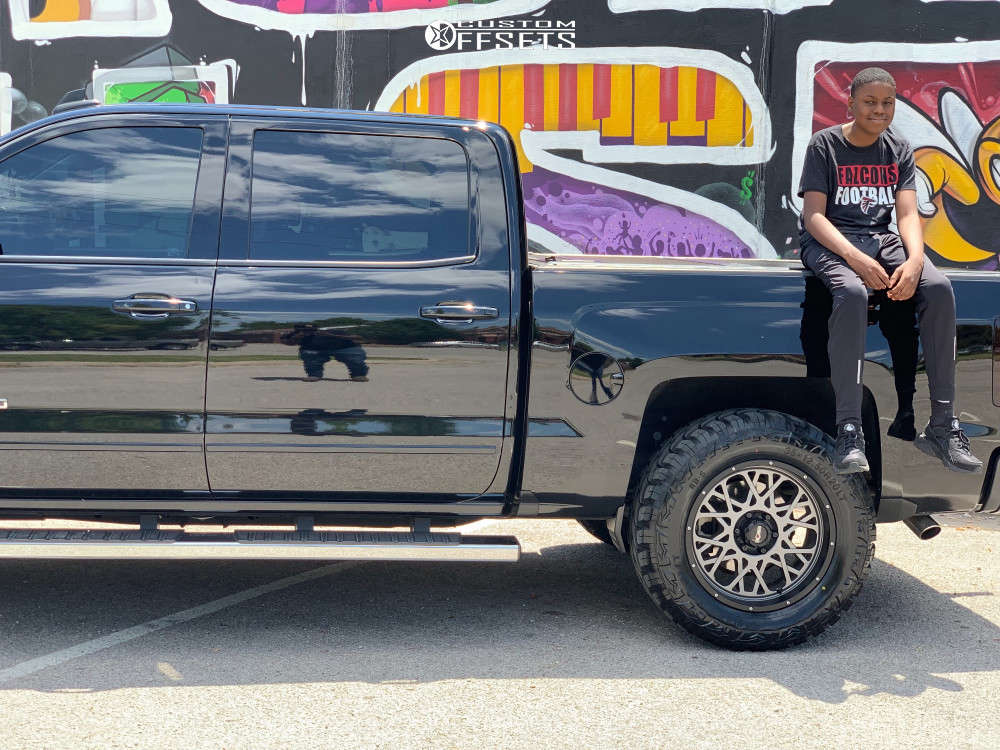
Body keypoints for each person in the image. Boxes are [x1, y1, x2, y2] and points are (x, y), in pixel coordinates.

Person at [798, 66, 981, 474]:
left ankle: (942, 425)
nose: (879, 110)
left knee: (938, 286)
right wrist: (856, 259)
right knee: (852, 293)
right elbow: (814, 217)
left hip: (880, 238)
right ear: (851, 103)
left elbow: (908, 213)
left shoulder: (898, 147)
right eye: (870, 102)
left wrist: (915, 260)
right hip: (830, 241)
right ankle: (849, 430)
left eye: (887, 103)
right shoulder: (825, 145)